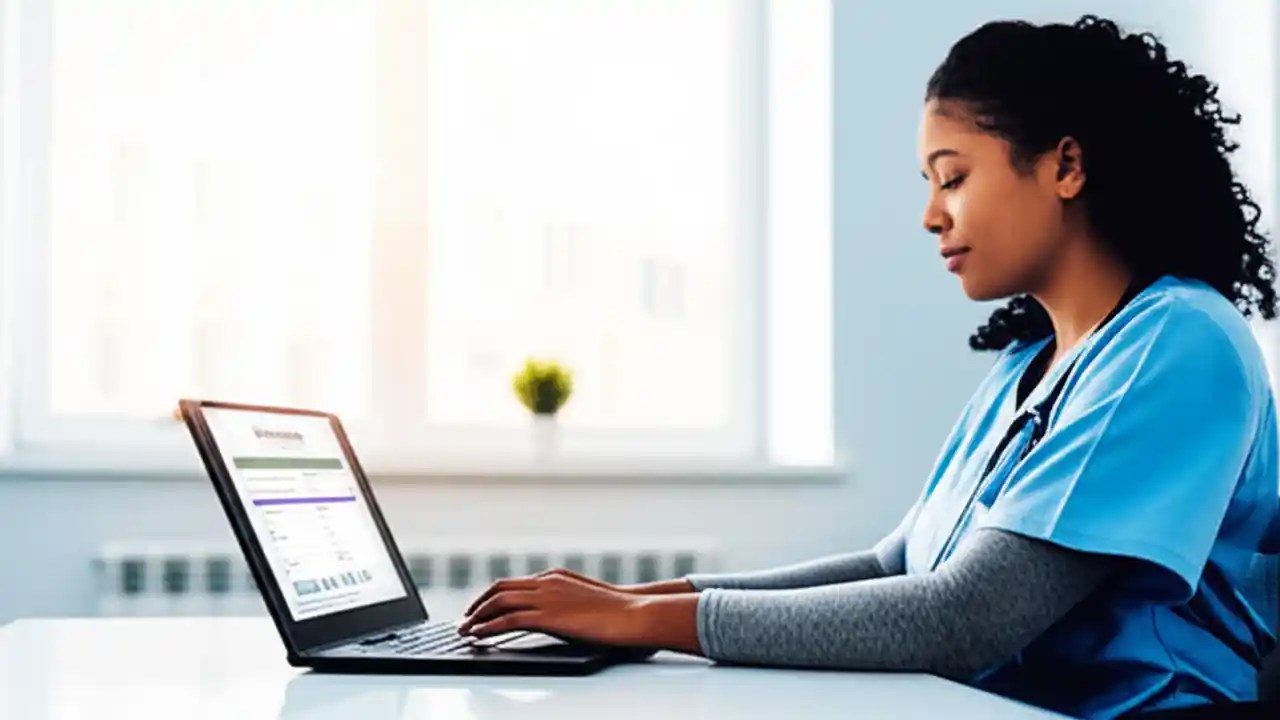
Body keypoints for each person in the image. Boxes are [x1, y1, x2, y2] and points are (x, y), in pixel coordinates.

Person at [458, 15, 1280, 718]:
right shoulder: (1032, 363)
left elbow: (966, 617)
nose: (931, 215)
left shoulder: (1177, 341)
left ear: (1065, 166)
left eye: (953, 177)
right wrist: (651, 598)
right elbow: (898, 564)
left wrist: (646, 623)